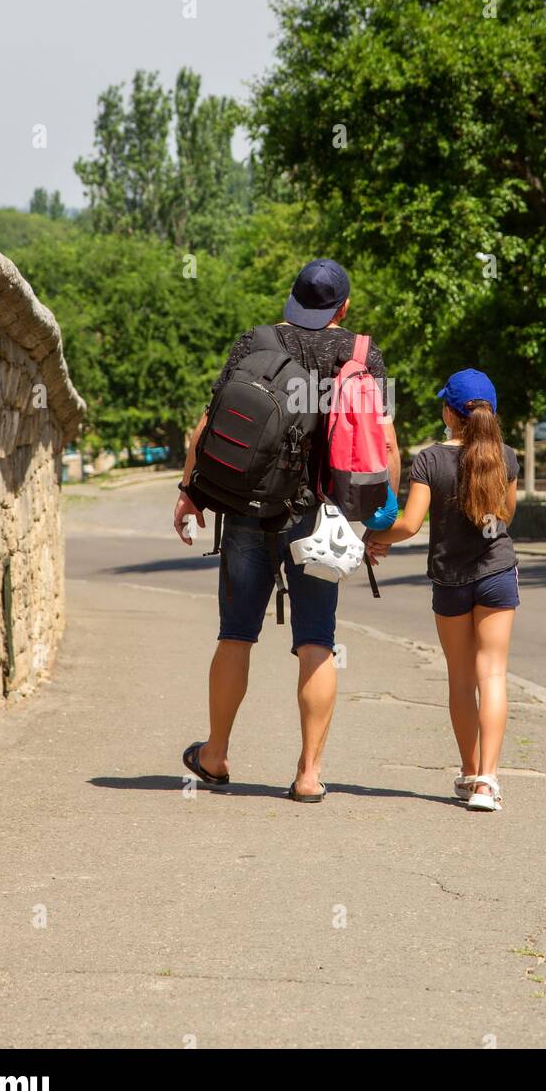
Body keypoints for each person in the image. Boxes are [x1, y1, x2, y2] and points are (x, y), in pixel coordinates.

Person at [174, 259, 401, 802]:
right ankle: (308, 775)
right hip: (322, 516)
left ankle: (216, 753)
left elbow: (209, 424)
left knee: (235, 634)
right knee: (317, 641)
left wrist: (189, 491)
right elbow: (386, 446)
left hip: (247, 509)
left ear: (292, 299)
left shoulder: (253, 341)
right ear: (343, 308)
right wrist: (379, 523)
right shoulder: (363, 356)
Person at [365, 370, 519, 813]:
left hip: (450, 580)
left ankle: (470, 772)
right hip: (497, 574)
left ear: (450, 412)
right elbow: (505, 516)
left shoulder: (430, 459)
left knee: (461, 677)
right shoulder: (507, 456)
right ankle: (488, 783)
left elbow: (410, 525)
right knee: (492, 674)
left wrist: (375, 540)